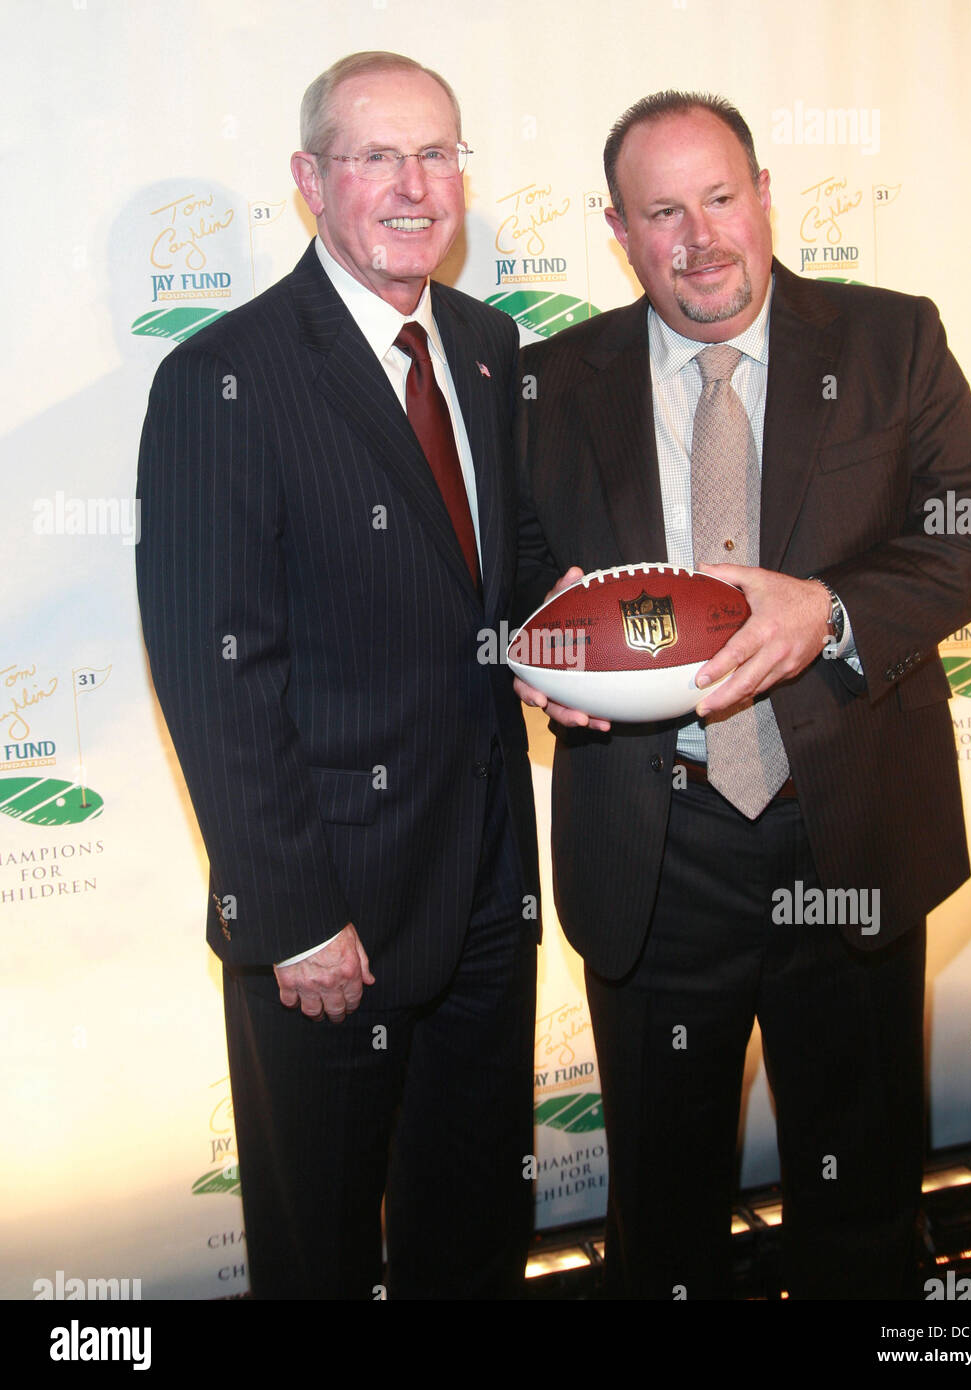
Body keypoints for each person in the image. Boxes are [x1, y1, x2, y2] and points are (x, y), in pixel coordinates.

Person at [514, 89, 971, 1299]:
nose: (700, 238)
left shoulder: (892, 340)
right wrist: (543, 660)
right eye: (661, 212)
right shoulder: (547, 383)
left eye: (720, 198)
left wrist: (829, 610)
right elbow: (515, 582)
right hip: (654, 846)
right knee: (665, 1214)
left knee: (862, 1208)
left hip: (843, 827)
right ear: (618, 231)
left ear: (763, 195)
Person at [137, 51, 539, 1300]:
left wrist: (575, 654)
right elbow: (216, 676)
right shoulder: (223, 377)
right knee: (319, 1252)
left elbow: (504, 580)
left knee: (472, 1229)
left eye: (438, 154)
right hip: (329, 914)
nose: (416, 187)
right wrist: (294, 914)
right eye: (378, 157)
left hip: (486, 889)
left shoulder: (485, 343)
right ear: (312, 180)